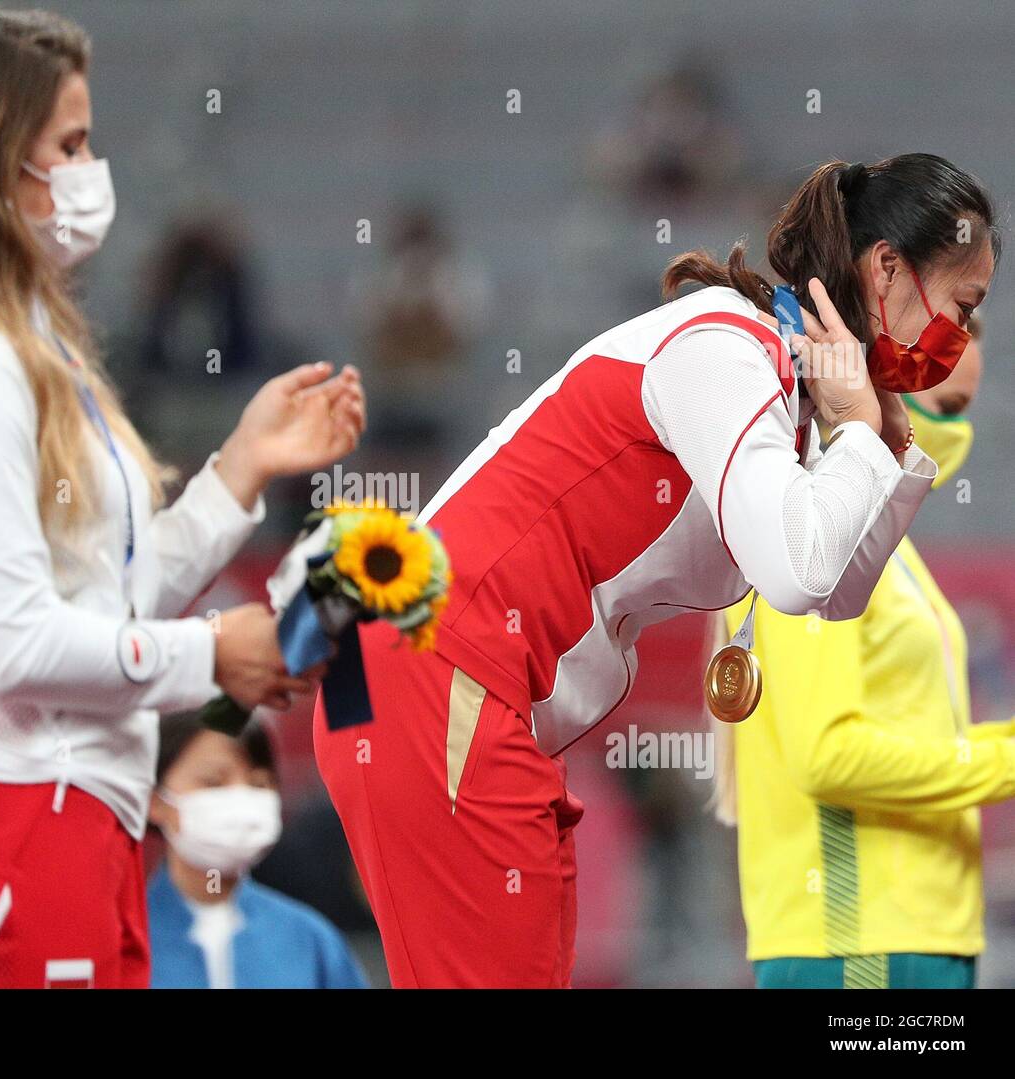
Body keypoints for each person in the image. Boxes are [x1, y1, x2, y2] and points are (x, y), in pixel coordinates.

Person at [0, 8, 364, 989]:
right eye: (72, 145)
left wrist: (240, 468)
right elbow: (13, 646)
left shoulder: (24, 346)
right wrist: (212, 653)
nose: (93, 172)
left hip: (68, 815)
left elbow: (101, 604)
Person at [315, 153, 998, 987]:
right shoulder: (724, 344)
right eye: (964, 307)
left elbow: (835, 591)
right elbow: (792, 572)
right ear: (888, 267)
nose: (961, 339)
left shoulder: (785, 397)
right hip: (435, 668)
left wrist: (885, 441)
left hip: (480, 694)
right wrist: (855, 431)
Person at [717, 321, 1015, 989]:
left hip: (912, 936)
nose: (955, 431)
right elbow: (829, 753)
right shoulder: (820, 527)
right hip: (861, 944)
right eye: (940, 396)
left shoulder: (878, 540)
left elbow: (911, 729)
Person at [147, 713, 368, 989]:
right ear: (155, 801)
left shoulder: (309, 940)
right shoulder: (123, 938)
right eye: (213, 781)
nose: (240, 797)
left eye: (259, 783)